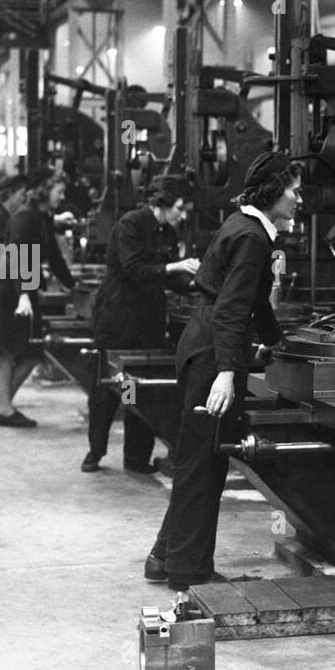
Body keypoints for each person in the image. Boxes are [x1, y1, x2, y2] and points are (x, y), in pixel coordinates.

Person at [145, 152, 303, 590]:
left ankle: (165, 557)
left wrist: (277, 343)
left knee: (201, 462)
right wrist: (228, 372)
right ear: (272, 193)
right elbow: (233, 311)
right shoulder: (253, 238)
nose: (298, 199)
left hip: (202, 345)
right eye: (294, 191)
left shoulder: (245, 227)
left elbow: (250, 303)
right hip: (210, 353)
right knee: (202, 466)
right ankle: (188, 572)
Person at [83, 187, 199, 472]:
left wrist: (196, 285)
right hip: (118, 316)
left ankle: (135, 458)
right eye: (180, 209)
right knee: (108, 385)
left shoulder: (167, 233)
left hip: (148, 319)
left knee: (138, 388)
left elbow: (165, 277)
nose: (182, 216)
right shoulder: (131, 224)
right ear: (163, 202)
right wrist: (176, 267)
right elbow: (133, 270)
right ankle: (95, 452)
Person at [0, 168, 76, 427]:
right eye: (59, 191)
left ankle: (4, 404)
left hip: (25, 288)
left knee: (33, 352)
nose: (62, 196)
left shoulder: (43, 218)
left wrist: (72, 284)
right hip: (11, 290)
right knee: (8, 349)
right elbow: (18, 259)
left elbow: (54, 257)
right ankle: (5, 409)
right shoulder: (23, 219)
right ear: (45, 191)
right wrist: (24, 295)